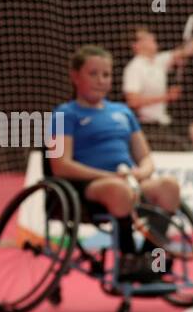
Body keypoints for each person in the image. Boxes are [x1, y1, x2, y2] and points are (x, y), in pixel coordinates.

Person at [52, 45, 182, 281]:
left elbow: (146, 158)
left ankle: (151, 260)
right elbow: (60, 165)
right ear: (74, 76)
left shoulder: (123, 112)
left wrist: (141, 173)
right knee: (118, 190)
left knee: (168, 186)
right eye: (93, 74)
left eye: (106, 75)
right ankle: (129, 259)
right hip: (88, 189)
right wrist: (107, 176)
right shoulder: (64, 114)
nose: (101, 80)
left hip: (128, 182)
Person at [121, 15, 193, 149]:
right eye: (146, 37)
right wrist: (166, 97)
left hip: (163, 124)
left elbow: (187, 50)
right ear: (136, 45)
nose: (152, 37)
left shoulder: (158, 61)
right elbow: (133, 102)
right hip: (146, 128)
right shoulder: (134, 68)